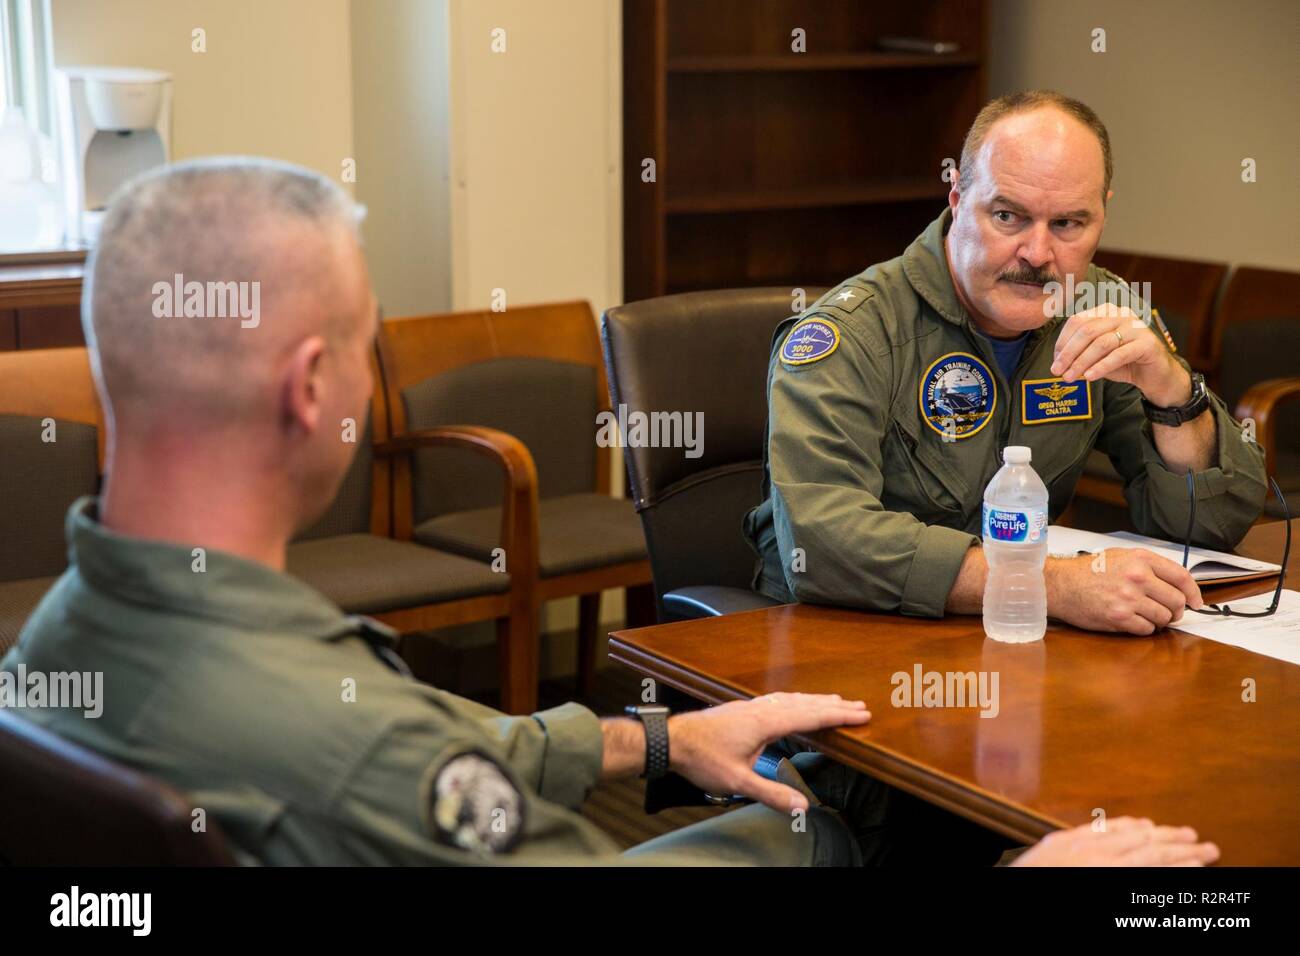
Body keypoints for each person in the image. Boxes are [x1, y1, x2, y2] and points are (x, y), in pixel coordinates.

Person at [0, 158, 1218, 867]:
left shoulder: (63, 638)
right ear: (311, 385)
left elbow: (421, 738)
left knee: (795, 834)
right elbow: (395, 759)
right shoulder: (347, 753)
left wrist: (653, 743)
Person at [745, 90, 1267, 634]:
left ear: (1103, 214)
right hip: (844, 636)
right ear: (956, 200)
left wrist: (1174, 393)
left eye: (1068, 224)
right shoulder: (851, 336)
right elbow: (823, 546)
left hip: (1019, 634)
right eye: (1007, 216)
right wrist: (1049, 584)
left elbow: (1208, 529)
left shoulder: (1103, 311)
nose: (1038, 254)